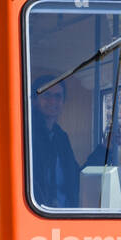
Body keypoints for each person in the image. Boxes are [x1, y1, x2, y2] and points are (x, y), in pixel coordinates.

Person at [29, 74, 80, 208]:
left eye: (58, 96)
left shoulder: (61, 137)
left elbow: (76, 177)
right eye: (46, 95)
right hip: (38, 214)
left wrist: (103, 149)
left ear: (63, 102)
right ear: (34, 100)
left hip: (64, 214)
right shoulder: (27, 134)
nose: (53, 101)